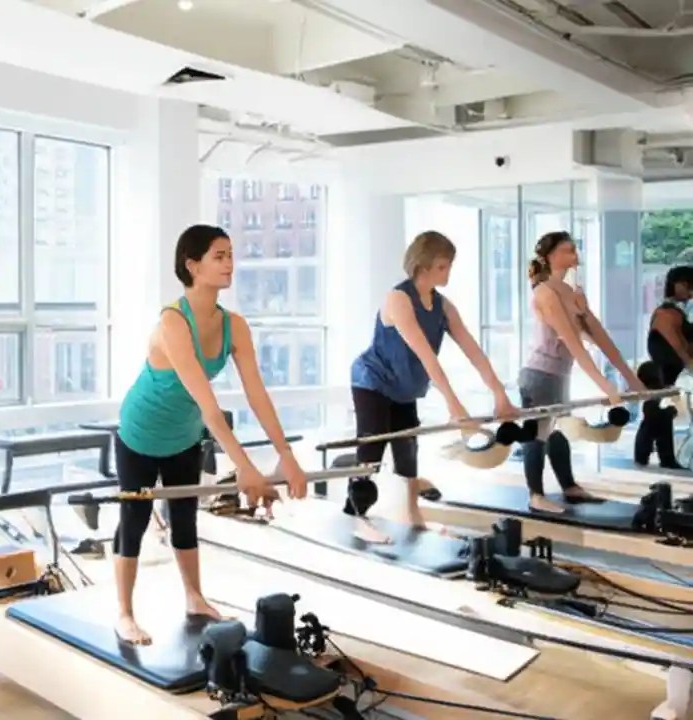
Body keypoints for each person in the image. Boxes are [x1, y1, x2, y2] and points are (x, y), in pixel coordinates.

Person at [112, 223, 308, 646]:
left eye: (232, 255)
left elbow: (257, 394)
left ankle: (194, 597)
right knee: (135, 520)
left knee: (185, 517)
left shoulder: (234, 326)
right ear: (192, 265)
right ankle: (125, 614)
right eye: (219, 256)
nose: (230, 263)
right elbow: (208, 402)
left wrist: (285, 454)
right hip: (141, 432)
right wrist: (245, 467)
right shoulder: (172, 322)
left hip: (183, 435)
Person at [347, 230, 518, 543]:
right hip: (373, 382)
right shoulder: (398, 299)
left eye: (449, 265)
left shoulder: (442, 306)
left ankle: (412, 514)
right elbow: (425, 354)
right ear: (422, 266)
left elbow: (473, 350)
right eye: (443, 266)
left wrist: (499, 393)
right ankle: (358, 517)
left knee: (408, 452)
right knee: (372, 450)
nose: (448, 272)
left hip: (403, 388)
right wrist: (454, 405)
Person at [521, 230, 642, 512]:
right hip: (539, 374)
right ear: (550, 256)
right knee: (539, 433)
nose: (575, 256)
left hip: (560, 374)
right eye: (567, 250)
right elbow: (574, 344)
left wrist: (631, 378)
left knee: (557, 432)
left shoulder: (571, 293)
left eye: (575, 250)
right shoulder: (545, 292)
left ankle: (569, 487)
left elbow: (599, 337)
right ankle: (535, 495)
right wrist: (608, 388)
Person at [634, 265, 693, 468]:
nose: (690, 291)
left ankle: (659, 457)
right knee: (658, 413)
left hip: (668, 370)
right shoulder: (667, 313)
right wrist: (690, 364)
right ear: (677, 285)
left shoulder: (675, 312)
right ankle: (659, 458)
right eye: (688, 286)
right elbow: (677, 345)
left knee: (659, 413)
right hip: (660, 370)